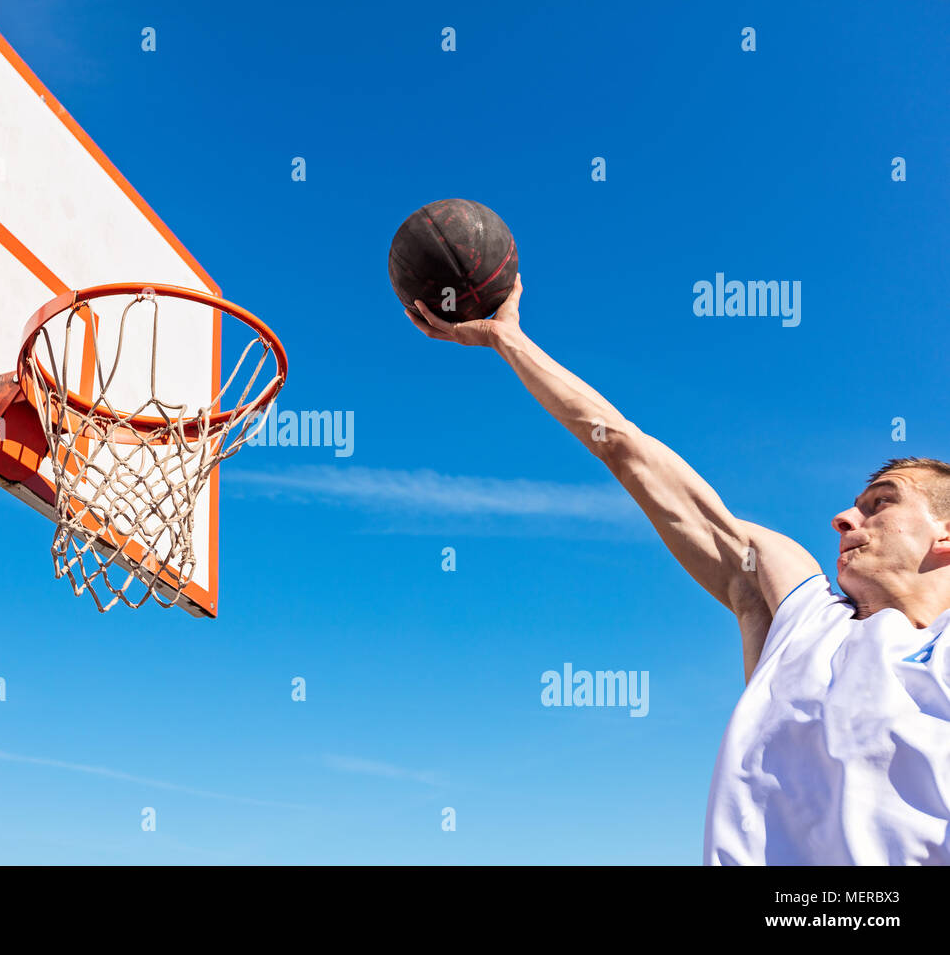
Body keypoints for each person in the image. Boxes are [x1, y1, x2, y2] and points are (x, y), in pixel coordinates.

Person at [407, 276, 950, 865]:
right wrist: (507, 338)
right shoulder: (801, 616)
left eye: (880, 503)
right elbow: (624, 445)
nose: (844, 518)